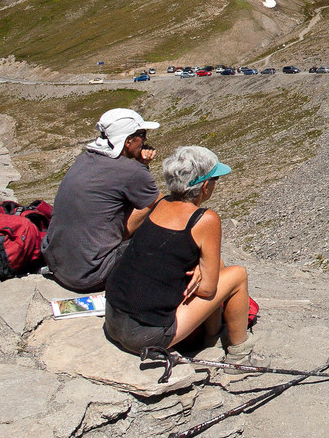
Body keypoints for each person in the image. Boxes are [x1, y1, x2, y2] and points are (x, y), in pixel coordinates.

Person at [103, 146, 252, 359]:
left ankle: (211, 339)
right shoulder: (205, 219)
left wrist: (201, 269)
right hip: (146, 336)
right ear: (205, 186)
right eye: (215, 180)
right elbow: (208, 291)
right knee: (238, 275)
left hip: (114, 321)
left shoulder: (161, 203)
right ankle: (240, 354)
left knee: (215, 265)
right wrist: (203, 272)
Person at [43, 108, 162, 293]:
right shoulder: (132, 170)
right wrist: (142, 167)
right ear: (128, 140)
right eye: (142, 134)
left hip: (58, 266)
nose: (145, 140)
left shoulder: (84, 159)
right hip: (91, 274)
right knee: (163, 212)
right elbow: (155, 203)